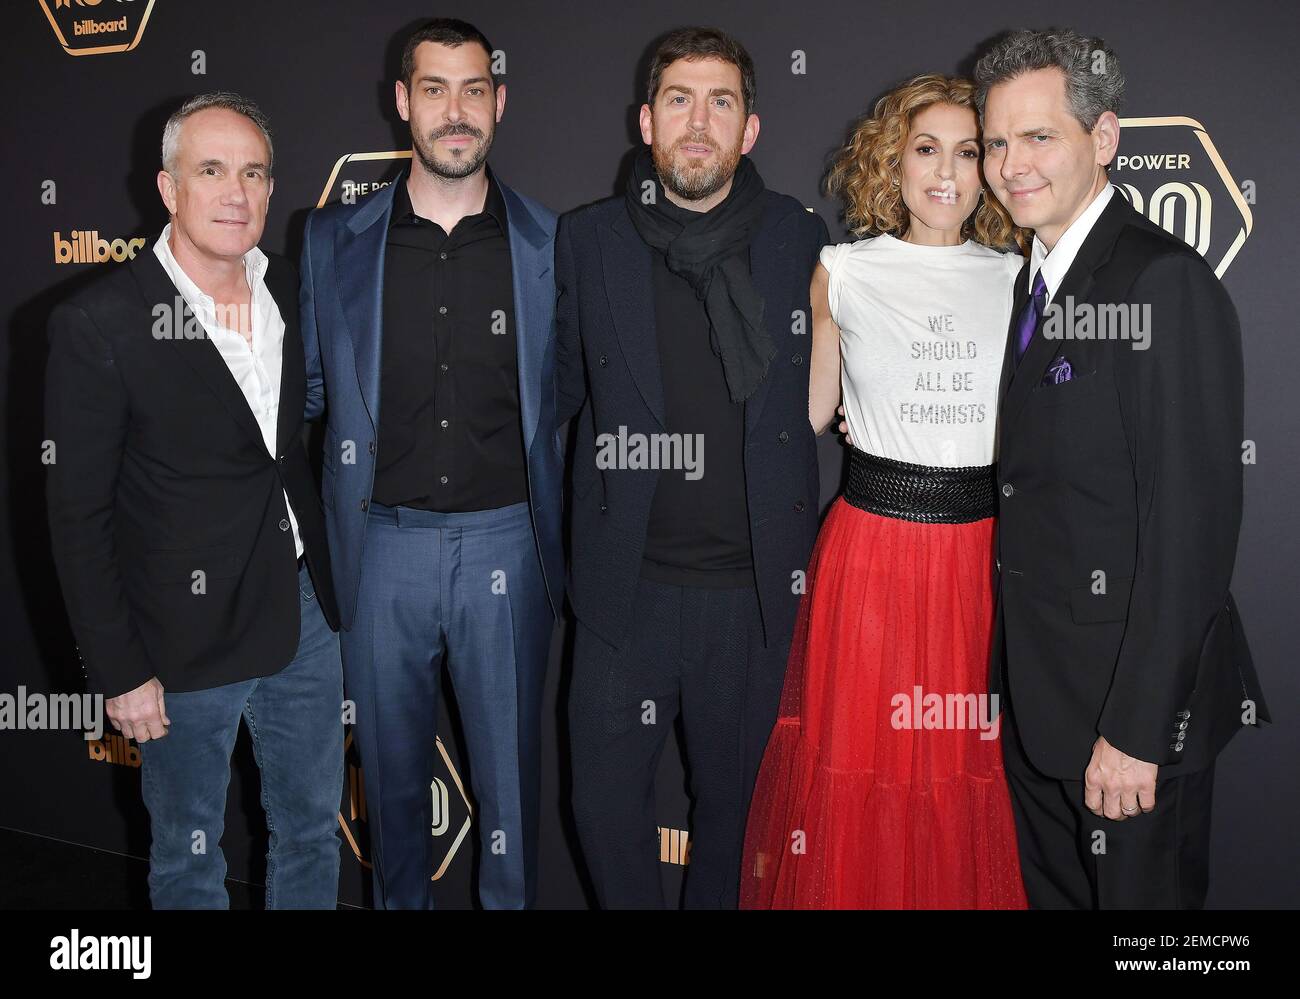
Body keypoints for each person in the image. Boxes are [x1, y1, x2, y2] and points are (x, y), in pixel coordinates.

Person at [976, 28, 1270, 908]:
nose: (1010, 165)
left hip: (1131, 724)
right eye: (997, 141)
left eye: (1040, 137)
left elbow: (1190, 531)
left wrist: (1139, 731)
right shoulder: (1031, 284)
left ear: (1103, 140)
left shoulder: (1161, 283)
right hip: (1042, 709)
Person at [45, 92, 344, 909]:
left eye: (253, 172)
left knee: (313, 833)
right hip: (176, 646)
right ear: (169, 188)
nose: (235, 193)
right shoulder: (99, 322)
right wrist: (120, 671)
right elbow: (78, 516)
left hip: (303, 619)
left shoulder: (293, 292)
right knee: (188, 858)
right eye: (210, 171)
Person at [556, 26, 829, 908]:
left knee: (741, 823)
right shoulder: (589, 240)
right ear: (647, 121)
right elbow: (550, 397)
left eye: (722, 102)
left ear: (750, 128)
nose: (699, 122)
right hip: (620, 595)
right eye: (679, 99)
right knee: (601, 810)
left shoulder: (799, 238)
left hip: (750, 601)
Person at [740, 74, 1028, 908]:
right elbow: (808, 412)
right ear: (891, 162)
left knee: (961, 771)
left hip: (980, 562)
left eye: (967, 151)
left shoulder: (1020, 277)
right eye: (925, 149)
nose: (946, 172)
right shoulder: (843, 271)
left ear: (989, 166)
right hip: (870, 560)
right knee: (855, 773)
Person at [298, 18, 563, 909]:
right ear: (403, 102)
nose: (458, 112)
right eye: (436, 90)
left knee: (508, 800)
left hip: (508, 550)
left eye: (474, 90)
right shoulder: (332, 242)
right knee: (392, 794)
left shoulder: (550, 246)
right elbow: (304, 402)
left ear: (499, 103)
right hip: (380, 554)